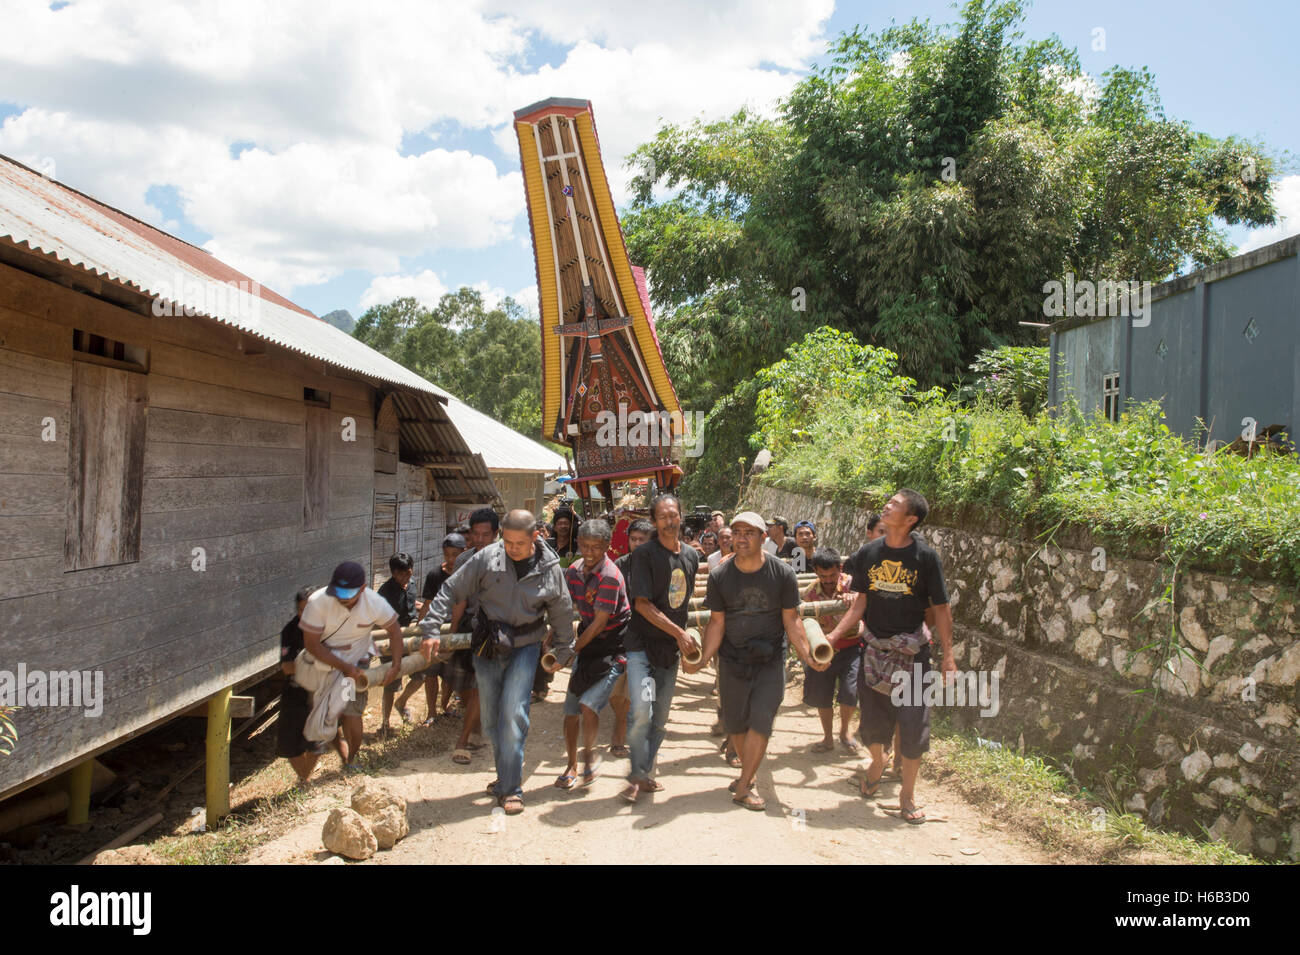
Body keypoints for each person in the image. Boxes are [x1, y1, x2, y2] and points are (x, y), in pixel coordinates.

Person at [419, 510, 575, 815]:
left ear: (534, 538)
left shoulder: (549, 568)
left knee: (514, 714)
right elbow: (451, 589)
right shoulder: (486, 559)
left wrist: (564, 649)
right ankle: (504, 776)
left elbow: (561, 607)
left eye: (520, 542)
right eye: (508, 541)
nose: (513, 548)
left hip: (526, 646)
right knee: (491, 719)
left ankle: (511, 787)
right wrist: (431, 627)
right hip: (488, 642)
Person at [825, 489, 956, 824]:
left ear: (910, 519)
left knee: (914, 725)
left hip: (913, 657)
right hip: (873, 652)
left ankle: (907, 797)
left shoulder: (925, 558)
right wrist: (835, 635)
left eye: (894, 504)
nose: (886, 505)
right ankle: (878, 761)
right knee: (873, 724)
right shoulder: (869, 553)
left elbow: (940, 608)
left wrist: (948, 657)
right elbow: (860, 603)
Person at [687, 512, 825, 811]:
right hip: (733, 660)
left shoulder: (782, 574)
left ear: (764, 538)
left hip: (769, 660)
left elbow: (793, 620)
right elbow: (717, 623)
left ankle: (746, 785)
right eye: (736, 532)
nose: (741, 537)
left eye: (749, 532)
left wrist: (806, 656)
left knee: (761, 722)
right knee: (736, 725)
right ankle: (744, 778)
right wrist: (702, 659)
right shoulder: (720, 576)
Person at [620, 494, 701, 803]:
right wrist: (680, 632)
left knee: (661, 718)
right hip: (641, 645)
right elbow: (642, 605)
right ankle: (638, 774)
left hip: (670, 650)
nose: (669, 521)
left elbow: (681, 603)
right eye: (663, 517)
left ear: (681, 517)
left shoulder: (692, 556)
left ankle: (644, 772)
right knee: (642, 711)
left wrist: (683, 638)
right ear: (654, 521)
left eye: (674, 515)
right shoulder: (644, 556)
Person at [297, 561, 405, 768]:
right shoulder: (318, 602)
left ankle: (352, 760)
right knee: (327, 714)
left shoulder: (374, 603)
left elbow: (395, 632)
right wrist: (345, 668)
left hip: (356, 664)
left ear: (363, 589)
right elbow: (311, 644)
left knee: (350, 712)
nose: (343, 599)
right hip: (324, 664)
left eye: (349, 595)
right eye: (338, 593)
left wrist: (396, 665)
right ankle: (332, 753)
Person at [557, 520, 632, 789]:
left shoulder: (610, 576)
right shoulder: (574, 572)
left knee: (588, 706)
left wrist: (570, 650)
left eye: (596, 547)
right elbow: (564, 608)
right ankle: (571, 765)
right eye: (585, 546)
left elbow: (601, 622)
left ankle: (589, 756)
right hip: (588, 643)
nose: (589, 552)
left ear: (606, 547)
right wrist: (552, 638)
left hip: (612, 648)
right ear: (578, 545)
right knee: (570, 710)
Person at [439, 508, 500, 764]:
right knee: (462, 684)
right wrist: (452, 635)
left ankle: (463, 739)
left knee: (478, 684)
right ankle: (476, 726)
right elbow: (459, 599)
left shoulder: (507, 560)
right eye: (476, 534)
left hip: (495, 628)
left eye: (487, 534)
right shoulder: (464, 560)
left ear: (496, 534)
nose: (481, 539)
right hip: (467, 625)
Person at [802, 548, 863, 755]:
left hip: (851, 647)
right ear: (816, 572)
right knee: (822, 694)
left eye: (832, 575)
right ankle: (827, 738)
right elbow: (803, 621)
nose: (827, 580)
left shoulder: (853, 585)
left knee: (850, 691)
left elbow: (864, 606)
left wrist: (853, 599)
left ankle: (844, 732)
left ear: (840, 568)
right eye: (822, 576)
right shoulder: (809, 593)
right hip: (823, 651)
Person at [277, 585, 336, 785]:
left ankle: (304, 780)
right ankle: (305, 779)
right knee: (289, 744)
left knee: (316, 744)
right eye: (302, 610)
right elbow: (287, 668)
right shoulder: (290, 631)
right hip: (295, 693)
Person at [608, 518, 653, 756]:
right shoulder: (619, 565)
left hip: (651, 634)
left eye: (641, 540)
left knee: (646, 689)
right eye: (633, 539)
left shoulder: (660, 565)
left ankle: (635, 735)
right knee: (618, 689)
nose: (636, 544)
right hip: (623, 632)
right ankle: (619, 727)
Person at [417, 533, 468, 726]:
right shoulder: (435, 575)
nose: (451, 559)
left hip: (458, 630)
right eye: (447, 554)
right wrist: (421, 629)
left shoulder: (468, 574)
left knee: (450, 672)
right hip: (437, 629)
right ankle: (431, 713)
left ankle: (445, 706)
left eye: (455, 554)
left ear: (464, 553)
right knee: (431, 672)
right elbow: (428, 604)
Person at [377, 553, 422, 736]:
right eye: (401, 574)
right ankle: (385, 724)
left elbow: (412, 607)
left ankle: (401, 703)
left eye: (409, 573)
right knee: (391, 684)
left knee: (420, 675)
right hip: (391, 642)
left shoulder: (412, 586)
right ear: (393, 573)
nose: (406, 577)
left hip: (410, 639)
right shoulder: (385, 591)